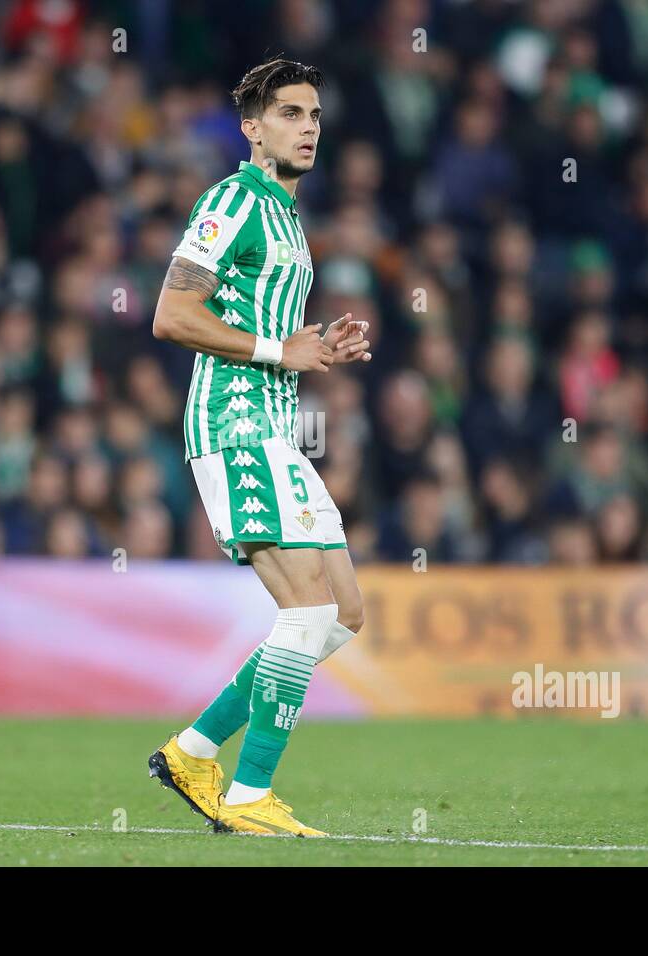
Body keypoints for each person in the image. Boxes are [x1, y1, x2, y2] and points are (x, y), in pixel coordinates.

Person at [148, 58, 371, 836]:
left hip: (274, 426)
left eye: (313, 114)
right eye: (288, 114)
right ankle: (246, 798)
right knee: (305, 610)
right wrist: (283, 351)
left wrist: (316, 347)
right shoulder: (233, 199)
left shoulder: (285, 214)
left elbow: (269, 326)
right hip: (234, 421)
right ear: (252, 127)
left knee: (341, 612)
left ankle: (193, 750)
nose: (307, 127)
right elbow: (172, 314)